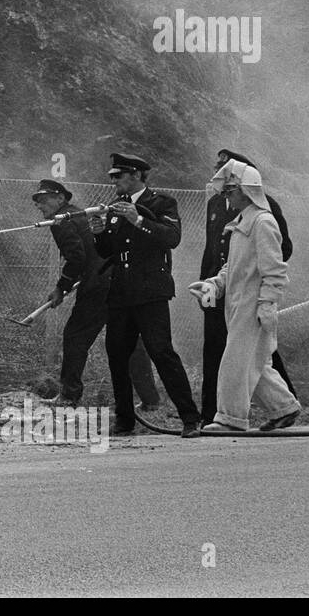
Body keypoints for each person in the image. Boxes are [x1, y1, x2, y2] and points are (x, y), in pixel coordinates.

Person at [88, 153, 203, 438]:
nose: (113, 181)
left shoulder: (161, 203)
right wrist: (99, 233)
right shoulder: (117, 207)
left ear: (136, 176)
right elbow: (109, 251)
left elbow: (171, 238)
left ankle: (190, 418)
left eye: (118, 176)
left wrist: (137, 219)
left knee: (161, 352)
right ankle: (125, 419)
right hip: (122, 293)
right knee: (116, 354)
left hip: (151, 291)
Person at [190, 161, 301, 432]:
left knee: (235, 363)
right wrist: (214, 285)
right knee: (255, 363)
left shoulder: (262, 222)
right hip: (238, 305)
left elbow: (274, 271)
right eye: (225, 191)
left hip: (253, 307)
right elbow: (234, 266)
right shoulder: (241, 223)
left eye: (231, 190)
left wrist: (266, 304)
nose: (226, 196)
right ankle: (285, 408)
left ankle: (230, 419)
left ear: (246, 191)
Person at [32, 180, 108, 407]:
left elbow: (77, 257)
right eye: (37, 201)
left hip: (98, 286)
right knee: (130, 340)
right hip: (115, 282)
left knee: (75, 337)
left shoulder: (62, 221)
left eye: (44, 200)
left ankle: (69, 394)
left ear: (60, 199)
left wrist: (61, 288)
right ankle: (151, 398)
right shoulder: (77, 215)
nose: (39, 205)